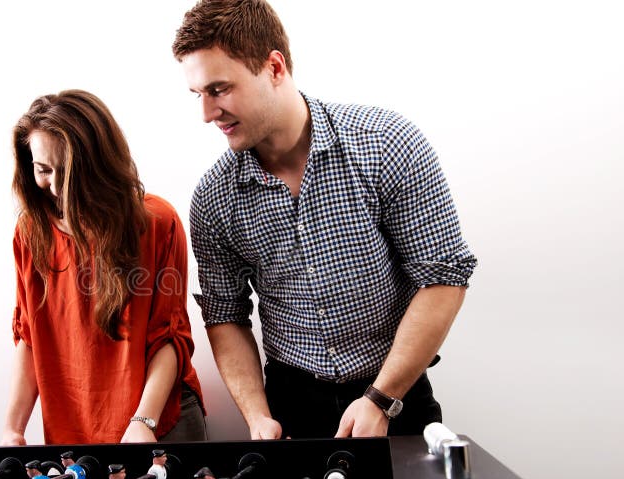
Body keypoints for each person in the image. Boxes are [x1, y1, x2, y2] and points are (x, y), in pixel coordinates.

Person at [172, 0, 477, 439]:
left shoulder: (386, 143)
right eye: (197, 94)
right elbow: (226, 315)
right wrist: (258, 417)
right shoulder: (214, 197)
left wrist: (381, 398)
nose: (206, 113)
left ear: (274, 67)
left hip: (397, 393)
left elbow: (443, 276)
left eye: (219, 89)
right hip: (292, 406)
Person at [2, 89, 206, 445]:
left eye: (69, 172)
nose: (57, 187)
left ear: (100, 165)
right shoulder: (30, 233)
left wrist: (144, 421)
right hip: (75, 429)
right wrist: (12, 429)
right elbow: (30, 336)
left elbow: (170, 337)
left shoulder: (156, 223)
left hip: (159, 422)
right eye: (44, 170)